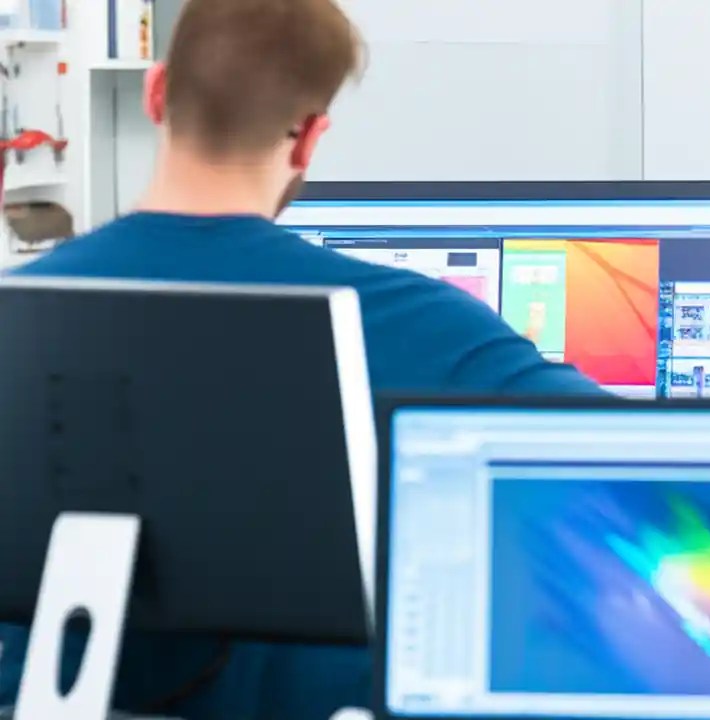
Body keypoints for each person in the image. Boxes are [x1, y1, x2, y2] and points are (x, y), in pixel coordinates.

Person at [0, 0, 605, 717]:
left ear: (157, 92)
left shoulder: (21, 307)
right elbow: (623, 453)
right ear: (311, 137)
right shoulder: (424, 323)